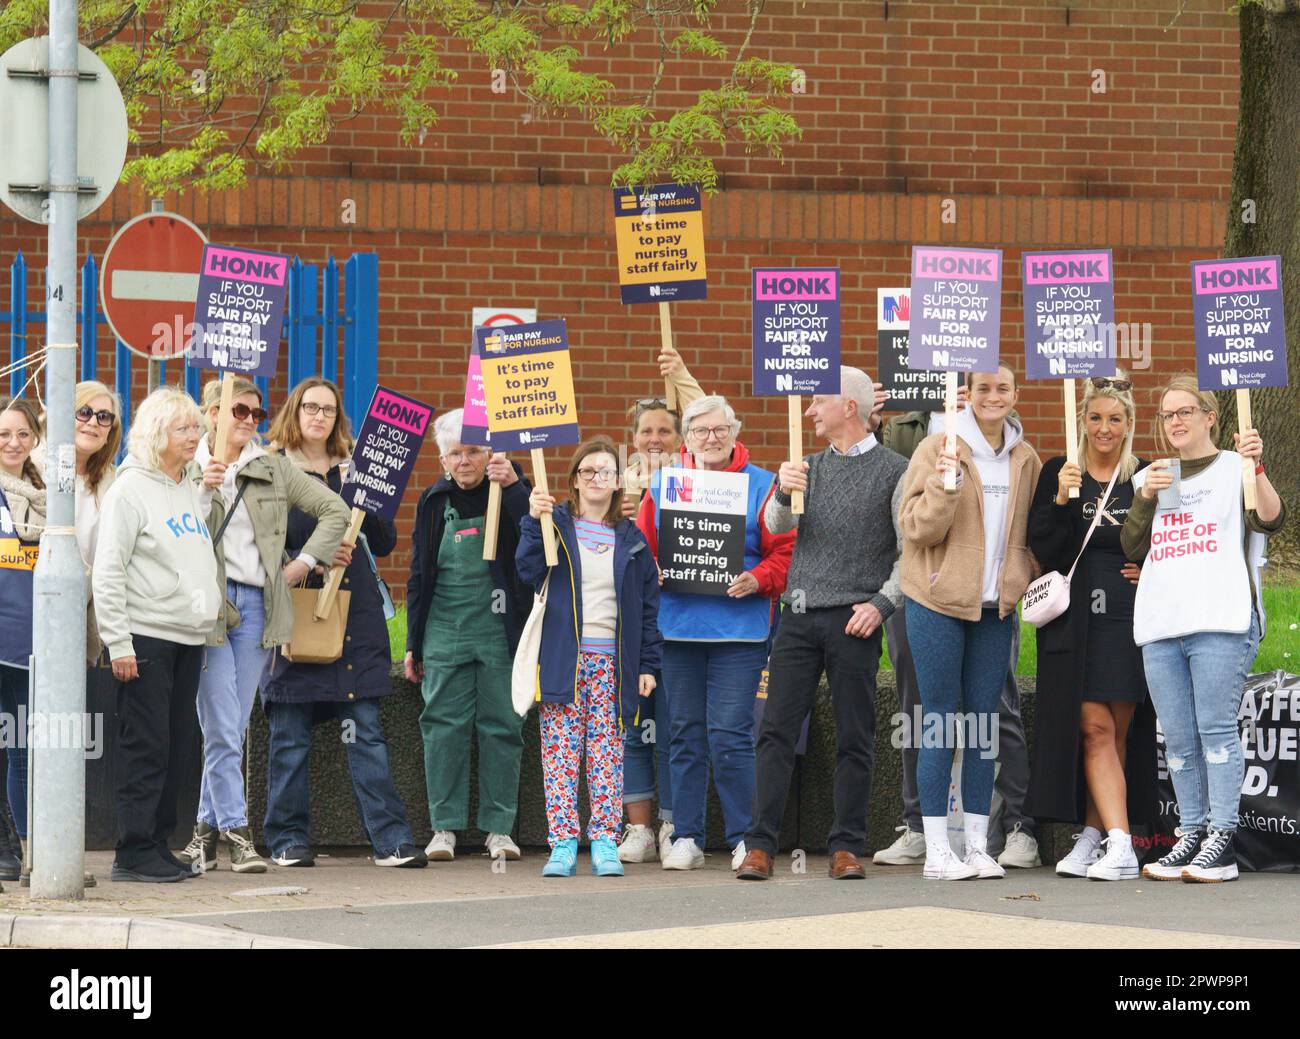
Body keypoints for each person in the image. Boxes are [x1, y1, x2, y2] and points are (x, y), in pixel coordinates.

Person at [736, 368, 908, 881]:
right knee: (775, 731)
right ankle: (760, 844)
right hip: (799, 617)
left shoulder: (894, 471)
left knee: (855, 736)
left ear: (849, 408)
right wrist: (785, 493)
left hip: (856, 620)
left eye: (818, 402)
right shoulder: (804, 466)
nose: (809, 410)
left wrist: (882, 604)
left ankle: (846, 846)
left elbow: (910, 551)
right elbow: (775, 527)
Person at [178, 377, 349, 874]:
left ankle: (202, 836)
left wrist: (302, 564)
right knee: (220, 721)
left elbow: (333, 511)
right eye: (238, 410)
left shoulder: (270, 466)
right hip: (205, 606)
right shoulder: (187, 469)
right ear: (212, 413)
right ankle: (238, 833)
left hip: (255, 604)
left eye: (256, 412)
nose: (249, 419)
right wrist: (199, 487)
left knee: (229, 724)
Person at [1123, 375, 1285, 883]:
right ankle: (1190, 834)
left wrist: (1255, 466)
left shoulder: (1235, 467)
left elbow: (1269, 519)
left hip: (1219, 619)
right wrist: (1145, 498)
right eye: (1168, 414)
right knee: (1177, 738)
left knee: (1215, 731)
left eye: (1186, 412)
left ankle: (1222, 840)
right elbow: (1131, 548)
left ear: (1210, 417)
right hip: (1163, 622)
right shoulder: (1153, 475)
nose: (1175, 421)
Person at [260, 377, 426, 868]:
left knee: (366, 732)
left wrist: (367, 494)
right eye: (310, 406)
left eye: (328, 409)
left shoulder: (356, 467)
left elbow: (387, 540)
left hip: (354, 619)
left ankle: (391, 840)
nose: (318, 416)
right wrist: (312, 553)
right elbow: (263, 539)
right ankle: (286, 838)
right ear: (295, 411)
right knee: (289, 734)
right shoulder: (272, 468)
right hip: (298, 612)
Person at [874, 386, 1040, 869]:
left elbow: (1028, 531)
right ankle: (938, 851)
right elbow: (916, 530)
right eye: (983, 387)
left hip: (995, 608)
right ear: (969, 395)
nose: (993, 396)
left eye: (1002, 388)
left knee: (983, 726)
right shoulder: (936, 447)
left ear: (1013, 396)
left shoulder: (1025, 457)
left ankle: (974, 848)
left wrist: (1022, 576)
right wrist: (944, 489)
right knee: (940, 722)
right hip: (937, 601)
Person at [637, 395, 794, 870]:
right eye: (701, 431)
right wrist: (653, 571)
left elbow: (785, 551)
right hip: (678, 630)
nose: (711, 438)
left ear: (735, 431)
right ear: (687, 439)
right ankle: (685, 835)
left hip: (739, 632)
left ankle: (746, 838)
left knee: (730, 735)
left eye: (720, 430)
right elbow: (640, 549)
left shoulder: (764, 486)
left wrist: (759, 578)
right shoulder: (664, 485)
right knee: (683, 733)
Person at [1025, 374, 1157, 880]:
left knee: (1118, 730)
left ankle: (1093, 835)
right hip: (1073, 616)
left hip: (1126, 614)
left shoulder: (1142, 476)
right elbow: (1044, 549)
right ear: (1082, 420)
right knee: (1092, 727)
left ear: (1128, 425)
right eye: (1096, 417)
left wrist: (1150, 569)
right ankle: (1120, 843)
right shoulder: (1061, 470)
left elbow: (1167, 539)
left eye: (1115, 419)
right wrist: (1060, 500)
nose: (1105, 428)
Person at [518, 438, 663, 878]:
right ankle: (562, 843)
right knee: (560, 754)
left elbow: (647, 608)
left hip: (614, 667)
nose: (597, 479)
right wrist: (530, 519)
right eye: (588, 472)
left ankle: (604, 840)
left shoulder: (632, 538)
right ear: (575, 480)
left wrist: (648, 666)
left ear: (618, 482)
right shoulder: (553, 525)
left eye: (605, 472)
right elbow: (526, 571)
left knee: (608, 755)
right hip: (563, 659)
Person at [93, 387, 220, 882]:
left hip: (187, 637)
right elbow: (108, 571)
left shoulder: (187, 483)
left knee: (174, 744)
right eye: (183, 429)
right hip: (145, 637)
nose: (195, 436)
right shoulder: (130, 489)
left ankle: (159, 843)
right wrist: (119, 643)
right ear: (155, 435)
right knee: (144, 745)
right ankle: (132, 851)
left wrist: (207, 489)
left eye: (196, 427)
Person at [405, 409, 531, 862]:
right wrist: (413, 643)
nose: (464, 461)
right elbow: (419, 574)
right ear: (442, 460)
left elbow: (540, 537)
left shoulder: (515, 491)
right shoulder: (434, 501)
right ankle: (444, 828)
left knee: (503, 726)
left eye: (473, 451)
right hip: (443, 629)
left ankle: (500, 829)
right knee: (442, 727)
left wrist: (515, 485)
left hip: (500, 630)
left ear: (490, 453)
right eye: (454, 453)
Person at [616, 345, 704, 863]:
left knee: (676, 726)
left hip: (683, 623)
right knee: (633, 725)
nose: (654, 439)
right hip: (629, 626)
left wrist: (684, 376)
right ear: (633, 439)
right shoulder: (611, 481)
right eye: (646, 431)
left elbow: (702, 415)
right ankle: (639, 829)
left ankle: (676, 823)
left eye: (664, 431)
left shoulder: (695, 476)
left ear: (680, 438)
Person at [0, 397, 45, 880]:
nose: (13, 443)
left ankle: (33, 856)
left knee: (24, 754)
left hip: (33, 646)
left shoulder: (47, 493)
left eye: (22, 435)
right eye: (3, 434)